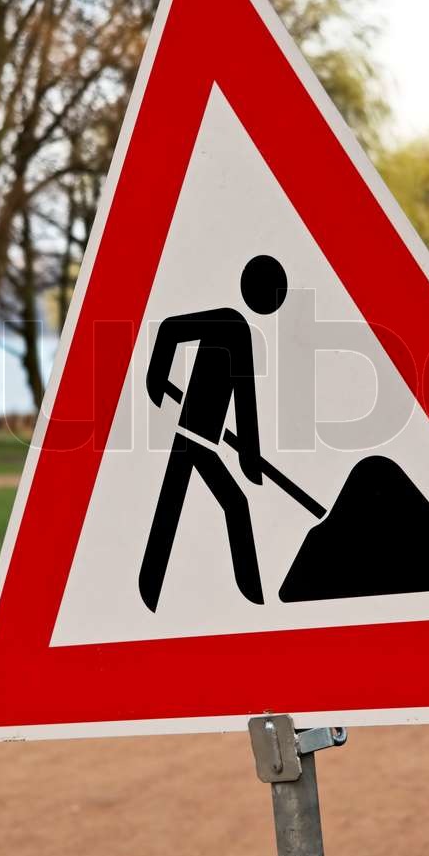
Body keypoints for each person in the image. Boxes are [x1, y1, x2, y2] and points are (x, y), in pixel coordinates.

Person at [137, 255, 287, 611]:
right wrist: (156, 379)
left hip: (202, 437)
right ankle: (255, 600)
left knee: (173, 508)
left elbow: (244, 399)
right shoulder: (229, 321)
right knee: (234, 505)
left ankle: (148, 590)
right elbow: (170, 329)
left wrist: (249, 453)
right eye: (272, 295)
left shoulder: (241, 333)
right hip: (191, 434)